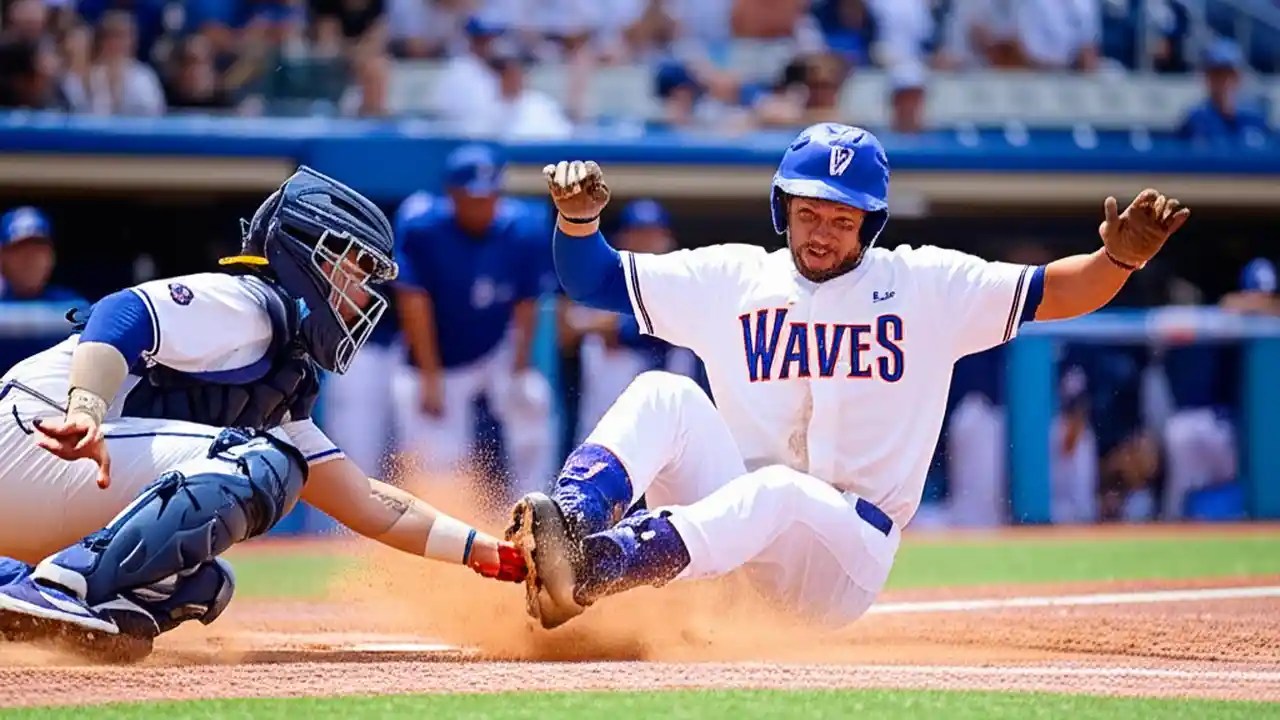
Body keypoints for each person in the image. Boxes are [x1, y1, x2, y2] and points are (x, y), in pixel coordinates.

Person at [506, 123, 1190, 630]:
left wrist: (1117, 264)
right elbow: (592, 278)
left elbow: (1054, 292)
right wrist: (578, 218)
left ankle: (596, 570)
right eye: (808, 213)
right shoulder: (733, 276)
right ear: (783, 211)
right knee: (666, 395)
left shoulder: (926, 283)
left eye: (842, 218)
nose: (823, 232)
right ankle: (568, 529)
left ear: (870, 223)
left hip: (846, 558)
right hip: (737, 531)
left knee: (781, 490)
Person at [0, 166, 525, 661]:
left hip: (61, 478)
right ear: (313, 257)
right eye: (359, 269)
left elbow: (369, 503)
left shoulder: (283, 372)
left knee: (200, 583)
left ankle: (28, 586)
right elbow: (125, 311)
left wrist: (487, 552)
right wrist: (86, 407)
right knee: (263, 465)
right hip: (38, 437)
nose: (365, 293)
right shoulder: (250, 303)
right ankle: (62, 587)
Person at [392, 144, 558, 504]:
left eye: (490, 195)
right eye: (472, 197)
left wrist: (518, 368)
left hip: (494, 349)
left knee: (532, 399)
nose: (483, 204)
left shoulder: (523, 229)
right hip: (440, 355)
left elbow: (527, 303)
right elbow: (414, 302)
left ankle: (537, 512)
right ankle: (440, 524)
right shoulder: (423, 227)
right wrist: (429, 375)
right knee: (436, 451)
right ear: (452, 194)